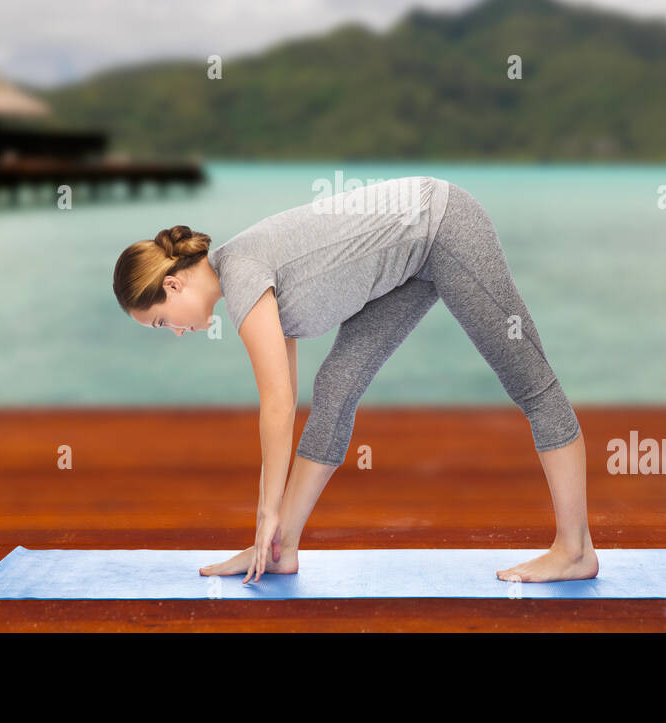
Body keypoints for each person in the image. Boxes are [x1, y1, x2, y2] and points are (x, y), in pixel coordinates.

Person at [112, 176, 598, 584]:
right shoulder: (244, 280)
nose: (174, 332)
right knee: (336, 389)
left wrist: (265, 515)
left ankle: (575, 550)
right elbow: (288, 400)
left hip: (443, 225)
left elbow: (277, 407)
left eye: (161, 321)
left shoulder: (240, 276)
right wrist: (270, 526)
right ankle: (283, 551)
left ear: (173, 285)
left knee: (530, 382)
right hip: (410, 264)